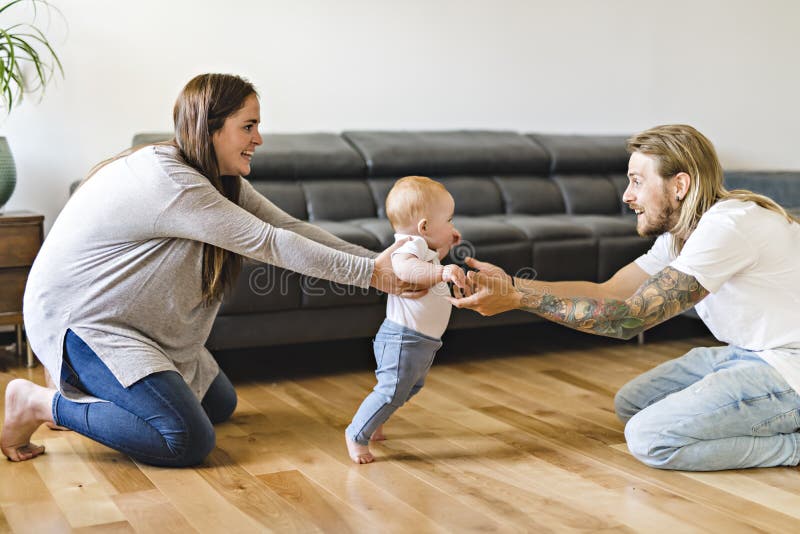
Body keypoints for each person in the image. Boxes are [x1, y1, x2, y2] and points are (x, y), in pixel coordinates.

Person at [1, 73, 423, 466]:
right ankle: (38, 402)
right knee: (185, 438)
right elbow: (270, 243)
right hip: (87, 325)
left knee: (219, 405)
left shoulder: (215, 178)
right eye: (248, 126)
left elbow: (287, 226)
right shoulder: (172, 181)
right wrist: (372, 276)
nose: (258, 138)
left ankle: (92, 399)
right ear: (211, 127)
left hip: (141, 327)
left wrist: (379, 263)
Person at [450, 124, 800, 471]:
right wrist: (512, 286)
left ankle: (794, 446)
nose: (626, 195)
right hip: (750, 354)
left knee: (651, 439)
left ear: (679, 184)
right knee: (634, 403)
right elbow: (610, 292)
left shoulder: (727, 228)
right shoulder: (681, 236)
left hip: (788, 365)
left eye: (637, 181)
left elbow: (627, 319)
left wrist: (519, 302)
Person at [345, 176, 465, 464]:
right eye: (448, 220)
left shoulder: (423, 247)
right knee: (391, 391)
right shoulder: (408, 246)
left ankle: (375, 421)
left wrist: (445, 247)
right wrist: (443, 272)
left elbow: (428, 261)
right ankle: (356, 434)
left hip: (420, 342)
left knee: (409, 388)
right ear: (424, 227)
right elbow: (407, 269)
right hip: (403, 339)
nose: (452, 225)